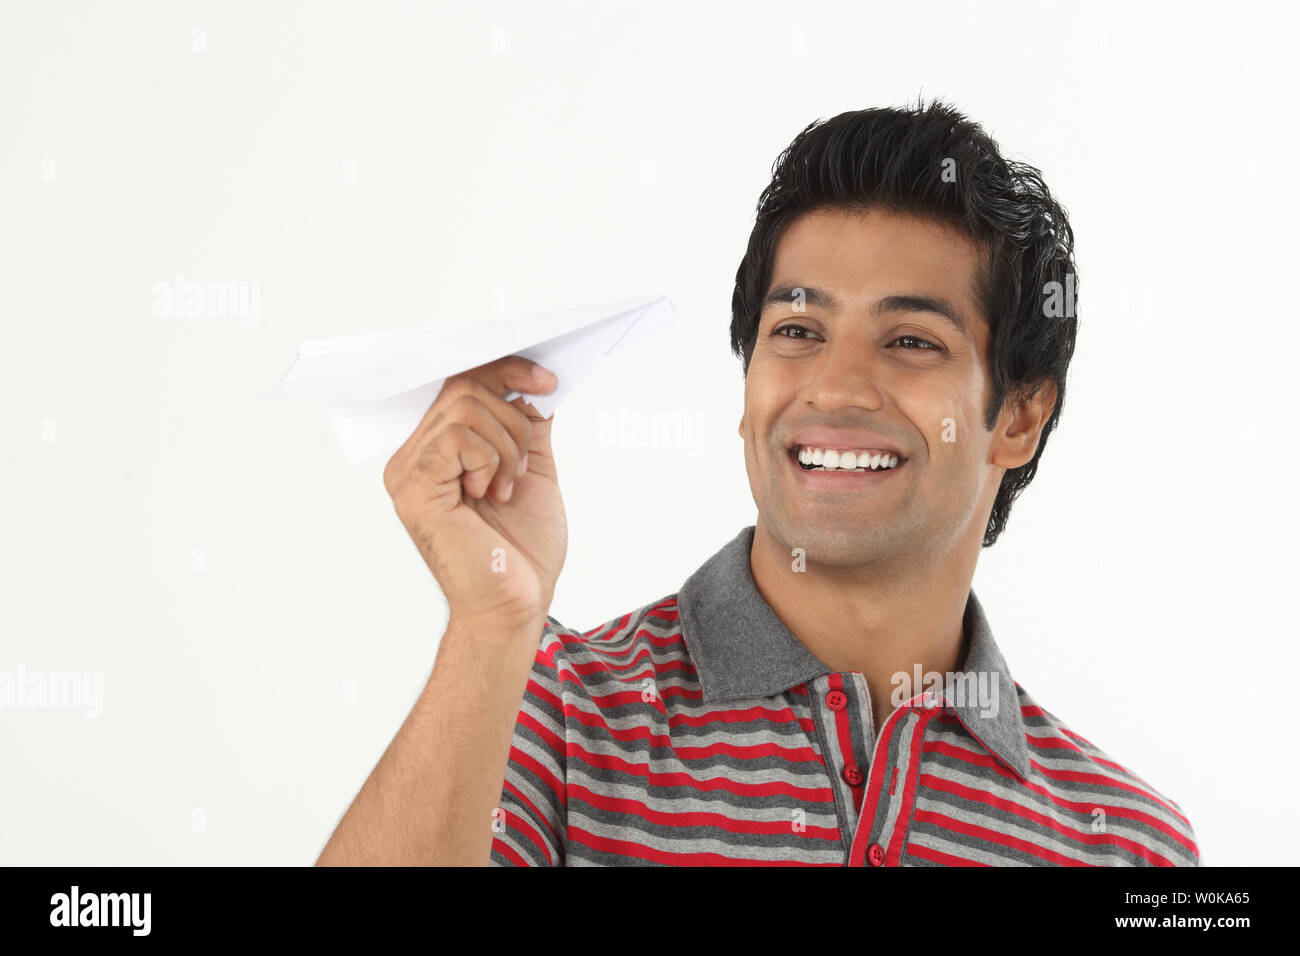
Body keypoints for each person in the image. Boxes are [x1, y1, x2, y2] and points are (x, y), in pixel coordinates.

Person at [316, 98, 1199, 867]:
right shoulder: (550, 712)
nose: (836, 388)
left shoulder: (1133, 847)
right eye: (798, 331)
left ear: (1017, 417)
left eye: (911, 342)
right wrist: (489, 628)